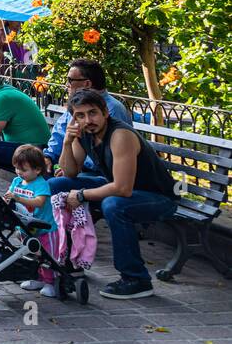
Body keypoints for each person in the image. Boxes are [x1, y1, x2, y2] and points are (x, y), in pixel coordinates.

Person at [53, 89, 178, 299]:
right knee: (57, 184)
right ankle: (67, 259)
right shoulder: (84, 134)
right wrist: (67, 142)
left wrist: (82, 195)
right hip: (120, 188)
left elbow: (122, 189)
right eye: (80, 116)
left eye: (92, 113)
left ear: (105, 113)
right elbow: (71, 172)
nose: (87, 120)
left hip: (157, 197)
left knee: (113, 205)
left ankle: (136, 279)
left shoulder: (120, 135)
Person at [43, 59, 133, 175]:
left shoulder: (112, 109)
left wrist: (70, 166)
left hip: (102, 174)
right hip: (74, 167)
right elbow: (60, 134)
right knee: (32, 175)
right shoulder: (79, 104)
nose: (66, 85)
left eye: (70, 80)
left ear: (87, 84)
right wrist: (48, 157)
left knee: (56, 184)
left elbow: (105, 158)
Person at [3, 143, 58, 298]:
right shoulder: (17, 181)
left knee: (47, 256)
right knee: (32, 253)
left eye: (24, 170)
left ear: (37, 170)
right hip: (26, 227)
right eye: (17, 168)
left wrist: (18, 198)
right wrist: (6, 199)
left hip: (45, 228)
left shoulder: (41, 184)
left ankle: (50, 282)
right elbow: (9, 194)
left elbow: (39, 202)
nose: (19, 173)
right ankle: (37, 277)